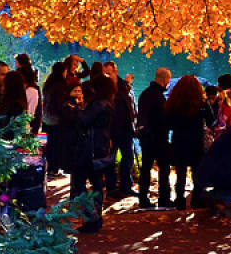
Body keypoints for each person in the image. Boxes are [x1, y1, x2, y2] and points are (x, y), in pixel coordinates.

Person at [63, 75, 114, 234]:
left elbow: (84, 121)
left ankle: (92, 217)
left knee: (80, 185)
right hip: (100, 147)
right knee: (97, 182)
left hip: (89, 149)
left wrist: (76, 108)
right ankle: (96, 215)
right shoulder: (108, 104)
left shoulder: (98, 104)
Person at [166, 73, 215, 209]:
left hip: (179, 141)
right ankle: (196, 199)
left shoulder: (174, 103)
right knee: (197, 172)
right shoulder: (202, 103)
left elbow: (168, 122)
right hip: (196, 142)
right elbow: (212, 120)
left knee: (180, 173)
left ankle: (180, 200)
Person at [137, 67, 172, 209]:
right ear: (164, 80)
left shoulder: (144, 94)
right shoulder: (159, 97)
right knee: (164, 169)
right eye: (168, 80)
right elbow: (163, 119)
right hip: (158, 138)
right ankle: (164, 199)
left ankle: (143, 200)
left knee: (145, 169)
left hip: (145, 138)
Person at [103, 60, 137, 198]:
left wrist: (134, 123)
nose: (106, 77)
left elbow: (131, 104)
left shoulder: (124, 86)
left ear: (115, 72)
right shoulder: (104, 90)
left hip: (126, 128)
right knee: (110, 159)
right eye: (104, 74)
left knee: (128, 158)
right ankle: (111, 188)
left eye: (108, 74)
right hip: (111, 130)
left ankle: (126, 186)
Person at [42, 61, 67, 176]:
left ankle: (49, 167)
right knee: (57, 144)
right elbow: (59, 104)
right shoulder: (60, 84)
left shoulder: (49, 83)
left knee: (50, 143)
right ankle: (54, 168)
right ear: (62, 71)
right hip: (56, 119)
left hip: (47, 118)